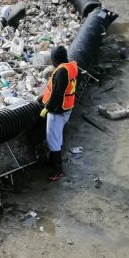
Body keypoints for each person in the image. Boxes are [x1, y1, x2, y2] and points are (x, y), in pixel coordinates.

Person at [38, 44, 78, 181]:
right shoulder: (71, 67)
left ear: (56, 59)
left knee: (53, 139)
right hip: (67, 107)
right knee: (57, 137)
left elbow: (57, 94)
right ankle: (53, 161)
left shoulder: (61, 72)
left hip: (57, 111)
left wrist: (47, 108)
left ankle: (58, 170)